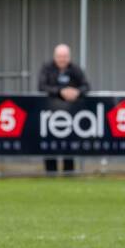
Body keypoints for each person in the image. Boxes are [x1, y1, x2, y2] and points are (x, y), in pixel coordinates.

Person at [38, 44, 90, 174]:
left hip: (70, 116)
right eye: (60, 56)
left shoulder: (75, 69)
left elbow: (86, 86)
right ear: (55, 56)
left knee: (68, 145)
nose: (62, 59)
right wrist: (60, 91)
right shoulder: (47, 68)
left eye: (65, 56)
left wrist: (76, 92)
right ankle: (50, 173)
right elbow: (42, 86)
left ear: (69, 57)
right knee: (50, 145)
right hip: (49, 115)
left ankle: (69, 173)